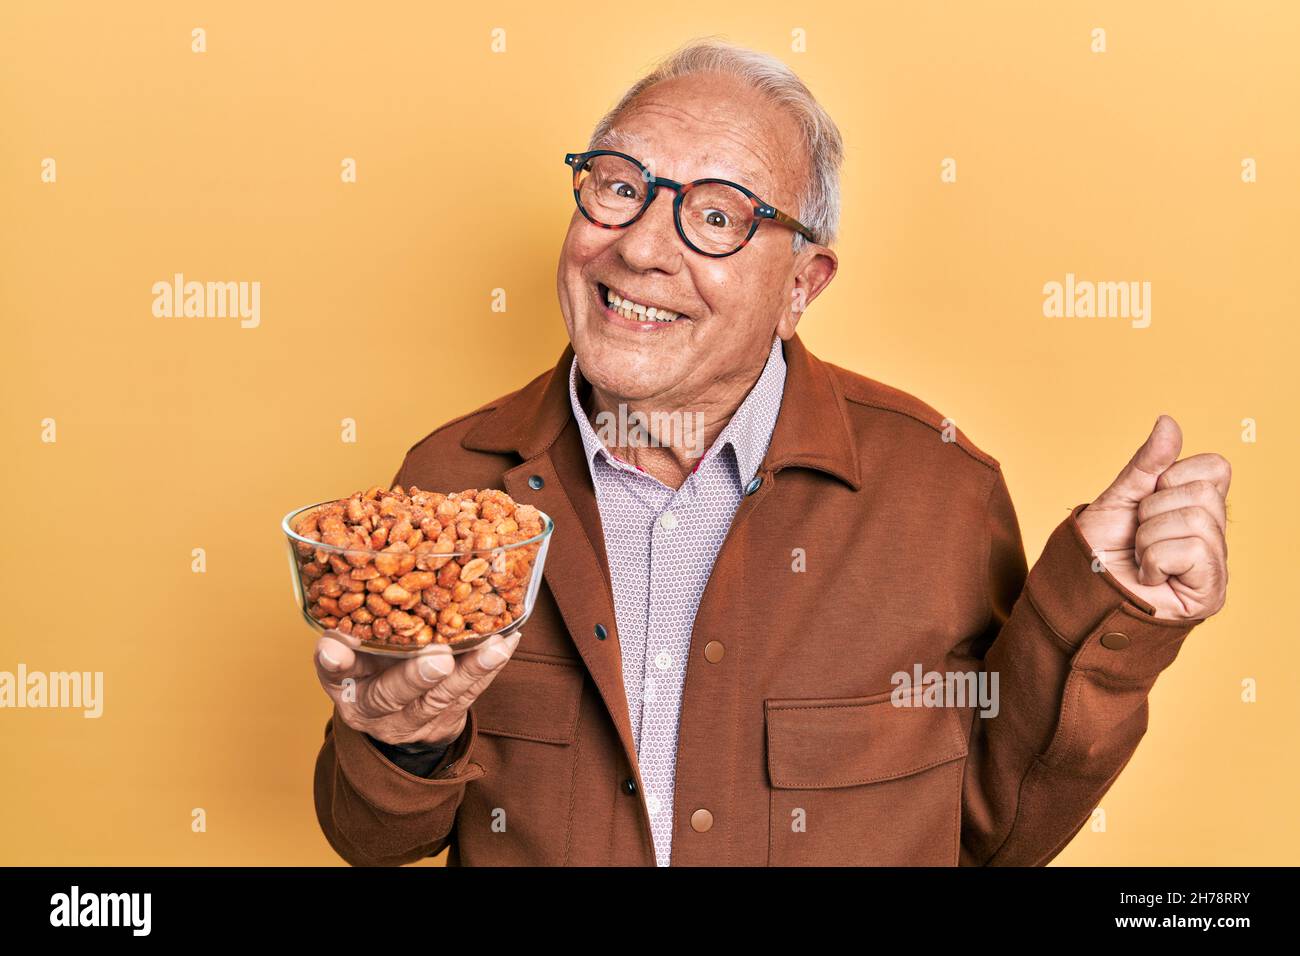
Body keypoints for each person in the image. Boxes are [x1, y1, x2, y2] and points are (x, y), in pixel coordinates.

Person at [311, 39, 1230, 867]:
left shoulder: (940, 492)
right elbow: (375, 834)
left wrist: (1108, 612)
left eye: (716, 217)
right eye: (621, 185)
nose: (639, 249)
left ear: (801, 284)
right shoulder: (450, 489)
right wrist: (405, 741)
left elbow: (996, 830)